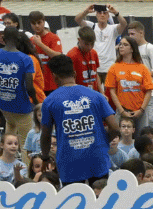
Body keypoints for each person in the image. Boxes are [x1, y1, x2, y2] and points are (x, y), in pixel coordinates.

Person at [37, 55, 115, 186]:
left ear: (55, 77)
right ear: (74, 73)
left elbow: (45, 135)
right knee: (101, 202)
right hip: (97, 157)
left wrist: (45, 157)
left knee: (74, 204)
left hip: (69, 162)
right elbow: (115, 128)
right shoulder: (96, 95)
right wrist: (103, 142)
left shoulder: (50, 101)